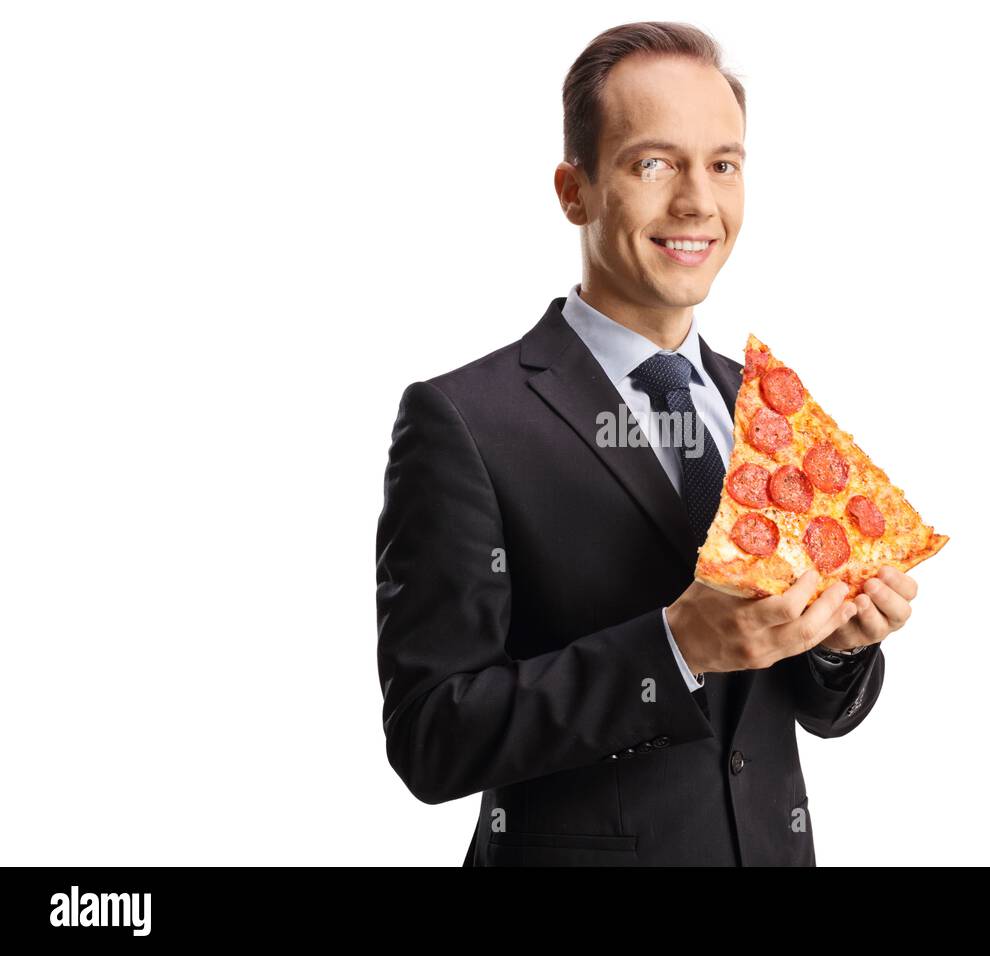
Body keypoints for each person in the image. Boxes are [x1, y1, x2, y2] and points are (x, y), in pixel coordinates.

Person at [375, 20, 920, 867]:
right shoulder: (465, 423)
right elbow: (431, 735)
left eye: (723, 164)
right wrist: (676, 647)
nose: (698, 201)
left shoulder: (763, 412)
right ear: (574, 190)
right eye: (653, 163)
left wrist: (843, 648)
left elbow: (804, 714)